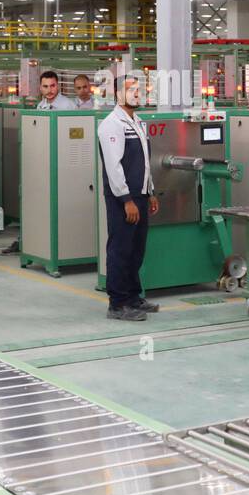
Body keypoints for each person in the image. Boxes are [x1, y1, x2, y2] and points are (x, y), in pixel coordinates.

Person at [96, 73, 159, 321]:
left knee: (136, 249)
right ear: (117, 94)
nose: (136, 93)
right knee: (120, 249)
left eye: (138, 89)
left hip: (140, 195)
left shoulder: (139, 122)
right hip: (123, 198)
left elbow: (144, 163)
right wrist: (127, 200)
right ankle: (118, 303)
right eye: (130, 89)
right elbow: (114, 167)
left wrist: (150, 191)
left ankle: (133, 297)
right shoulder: (111, 124)